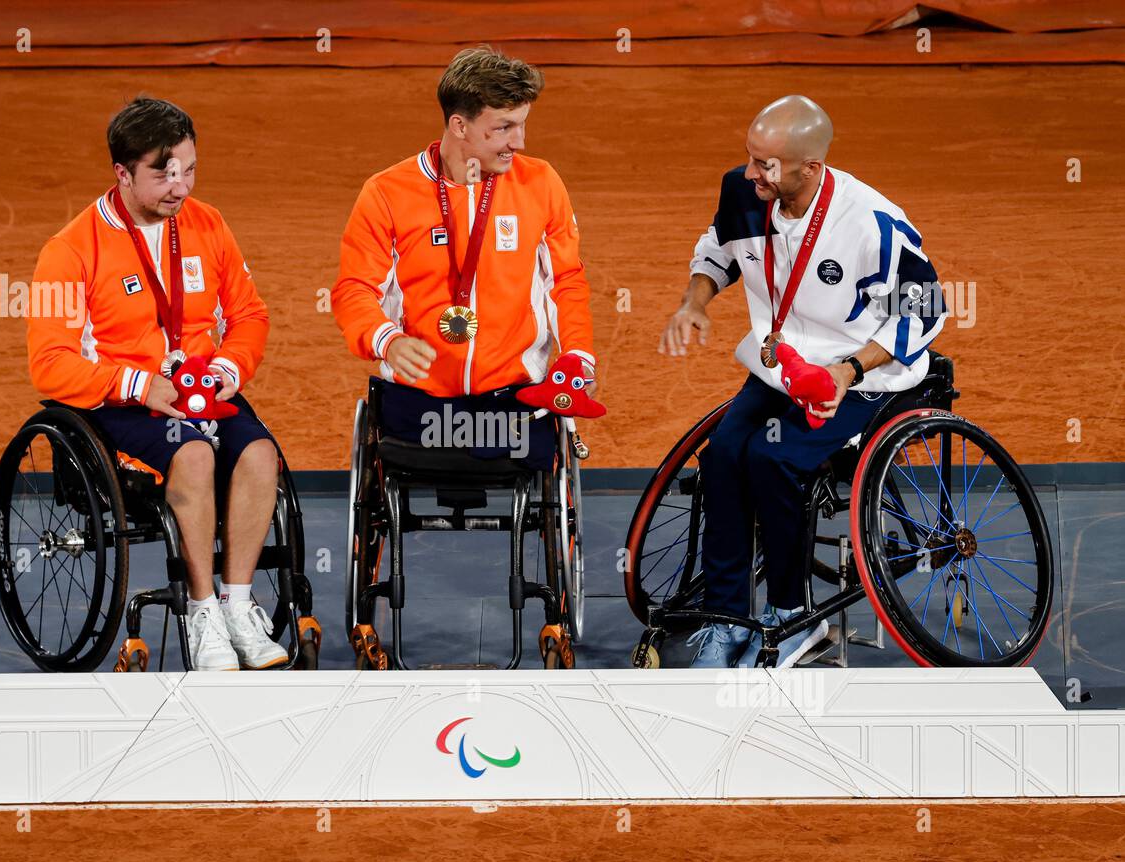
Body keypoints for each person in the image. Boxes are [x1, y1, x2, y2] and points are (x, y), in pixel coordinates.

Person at [660, 94, 948, 668]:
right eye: (750, 157)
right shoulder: (745, 193)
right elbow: (716, 250)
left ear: (809, 168)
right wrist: (696, 302)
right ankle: (723, 618)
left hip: (865, 375)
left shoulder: (870, 225)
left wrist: (849, 368)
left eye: (765, 163)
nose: (750, 173)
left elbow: (926, 311)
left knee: (773, 460)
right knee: (721, 458)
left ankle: (792, 616)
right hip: (780, 367)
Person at [27, 96, 287, 671]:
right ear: (122, 174)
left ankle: (237, 605)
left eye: (189, 169)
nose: (180, 186)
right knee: (193, 456)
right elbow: (50, 364)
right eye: (163, 173)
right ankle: (200, 615)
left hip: (201, 390)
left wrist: (225, 370)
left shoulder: (207, 223)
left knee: (261, 454)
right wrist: (137, 385)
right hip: (119, 404)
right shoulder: (69, 250)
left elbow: (249, 316)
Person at [332, 46, 596, 467]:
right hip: (419, 402)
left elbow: (565, 280)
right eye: (504, 127)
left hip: (514, 400)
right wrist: (387, 339)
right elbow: (355, 289)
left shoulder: (541, 183)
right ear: (459, 124)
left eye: (522, 126)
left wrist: (578, 353)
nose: (519, 142)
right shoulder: (387, 192)